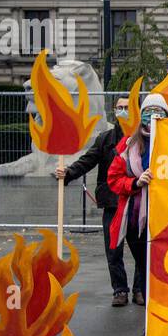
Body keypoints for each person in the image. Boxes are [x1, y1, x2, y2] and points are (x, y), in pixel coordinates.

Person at [56, 95, 134, 307]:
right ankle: (120, 290)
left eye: (127, 107)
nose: (123, 111)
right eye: (120, 107)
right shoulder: (106, 139)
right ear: (114, 111)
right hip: (112, 202)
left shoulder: (142, 138)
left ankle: (139, 290)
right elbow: (87, 161)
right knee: (113, 250)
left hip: (137, 203)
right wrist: (68, 172)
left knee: (140, 249)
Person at [108, 94, 168, 336]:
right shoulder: (127, 146)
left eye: (159, 111)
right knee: (146, 274)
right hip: (137, 223)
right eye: (148, 110)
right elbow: (113, 180)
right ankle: (149, 329)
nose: (152, 116)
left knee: (163, 276)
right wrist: (135, 182)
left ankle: (166, 326)